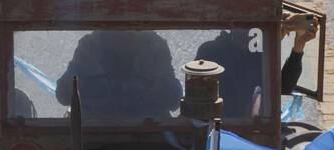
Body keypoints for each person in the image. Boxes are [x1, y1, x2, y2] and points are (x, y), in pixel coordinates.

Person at [194, 13, 320, 118]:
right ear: (232, 24)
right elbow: (236, 88)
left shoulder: (259, 51)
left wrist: (299, 45)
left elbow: (284, 88)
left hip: (260, 129)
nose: (250, 30)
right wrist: (270, 43)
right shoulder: (211, 50)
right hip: (219, 128)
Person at [55, 30, 183, 121]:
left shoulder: (154, 45)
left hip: (149, 135)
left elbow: (174, 99)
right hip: (94, 136)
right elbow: (63, 94)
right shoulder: (91, 45)